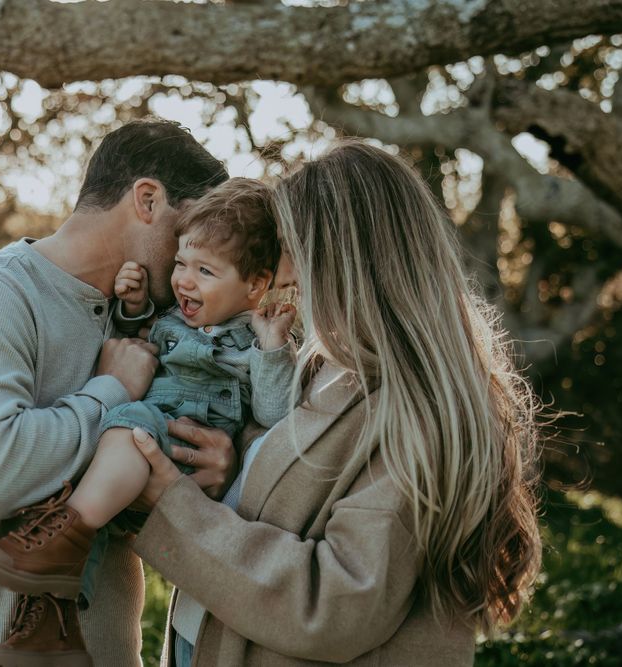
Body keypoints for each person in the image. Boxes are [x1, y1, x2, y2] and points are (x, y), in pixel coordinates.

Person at [129, 139, 542, 666]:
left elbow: (337, 606)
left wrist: (174, 505)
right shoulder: (332, 369)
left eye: (298, 271)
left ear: (347, 266)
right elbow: (300, 486)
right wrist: (229, 468)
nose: (285, 285)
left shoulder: (417, 415)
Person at [0, 119, 236, 667]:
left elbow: (132, 514)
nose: (198, 258)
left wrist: (202, 475)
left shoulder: (152, 325)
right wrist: (111, 391)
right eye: (190, 231)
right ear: (147, 200)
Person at [0, 178, 298, 665]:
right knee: (85, 550)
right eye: (181, 262)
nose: (184, 280)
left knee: (130, 425)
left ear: (255, 284)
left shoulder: (254, 340)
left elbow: (273, 414)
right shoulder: (174, 316)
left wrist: (272, 350)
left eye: (205, 270)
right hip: (130, 469)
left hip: (175, 458)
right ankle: (46, 636)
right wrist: (135, 305)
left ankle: (64, 531)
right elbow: (139, 339)